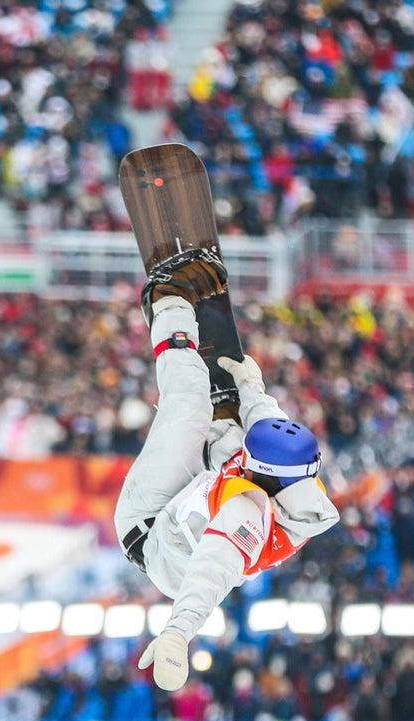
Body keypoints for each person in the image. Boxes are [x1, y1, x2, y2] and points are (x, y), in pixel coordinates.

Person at [119, 262, 339, 691]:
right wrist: (249, 385)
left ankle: (167, 303)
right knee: (232, 432)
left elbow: (211, 575)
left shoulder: (246, 514)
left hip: (149, 526)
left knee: (188, 405)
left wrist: (178, 632)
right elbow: (268, 422)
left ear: (263, 472)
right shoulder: (296, 477)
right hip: (196, 499)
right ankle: (223, 419)